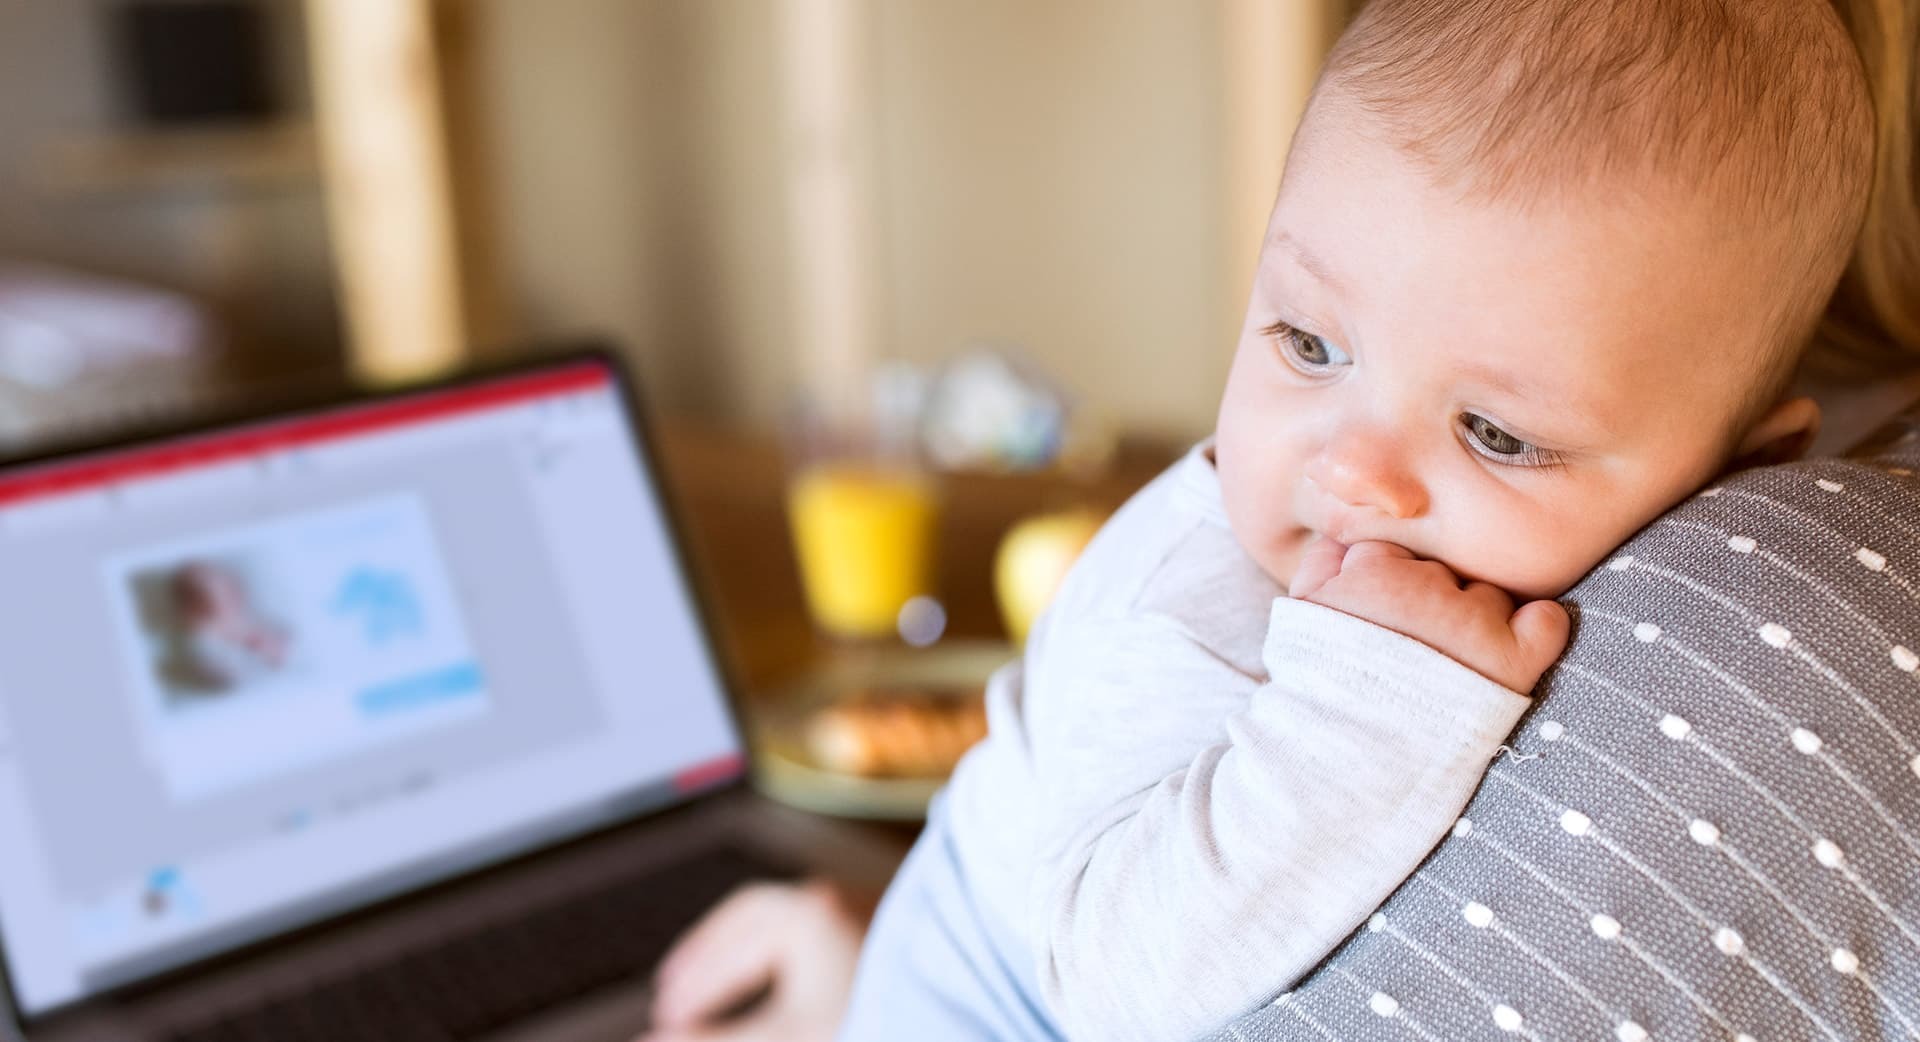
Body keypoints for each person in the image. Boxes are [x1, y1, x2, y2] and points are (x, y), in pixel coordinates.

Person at [641, 0, 1920, 1038]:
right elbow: (1119, 988)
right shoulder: (1197, 607)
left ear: (1740, 474)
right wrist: (1371, 704)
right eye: (1308, 342)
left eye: (1496, 434)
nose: (1355, 470)